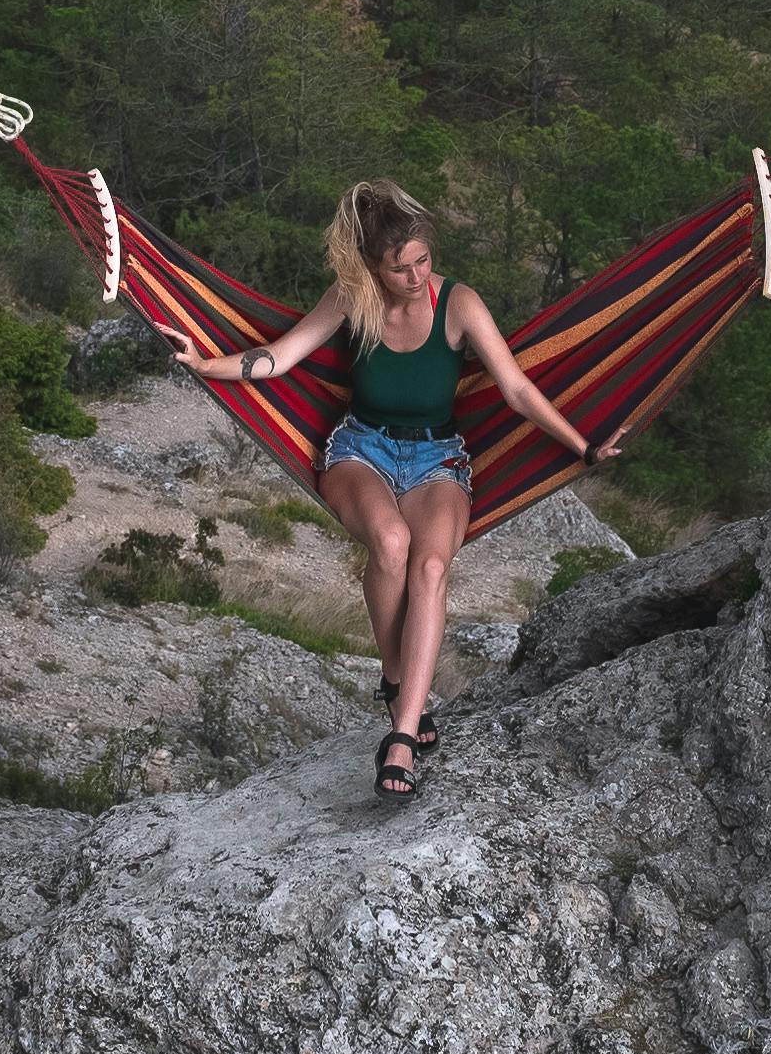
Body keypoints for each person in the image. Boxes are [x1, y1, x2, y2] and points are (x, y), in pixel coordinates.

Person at [176, 178, 619, 801]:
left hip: (439, 458)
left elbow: (516, 390)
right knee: (389, 542)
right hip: (360, 448)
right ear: (372, 268)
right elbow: (279, 359)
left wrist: (582, 447)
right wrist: (206, 364)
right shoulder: (351, 300)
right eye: (399, 267)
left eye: (422, 261)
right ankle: (397, 678)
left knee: (431, 566)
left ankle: (402, 734)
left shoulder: (460, 304)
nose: (415, 277)